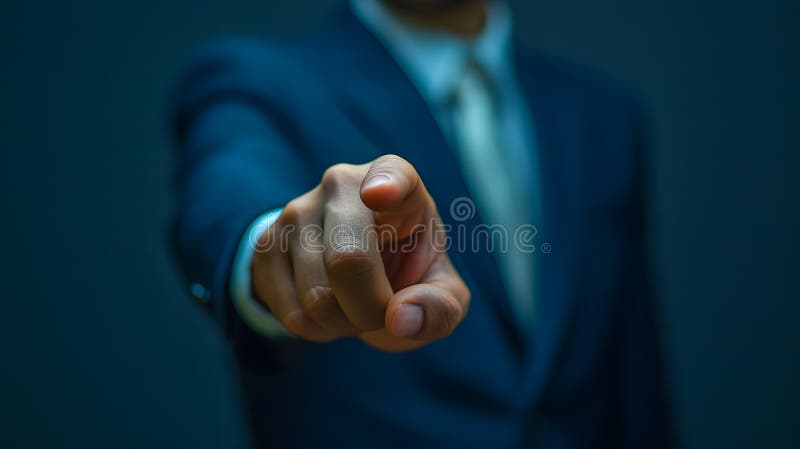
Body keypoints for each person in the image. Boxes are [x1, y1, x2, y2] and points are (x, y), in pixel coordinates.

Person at [170, 0, 673, 447]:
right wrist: (286, 253)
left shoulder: (605, 116)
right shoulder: (255, 81)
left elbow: (634, 378)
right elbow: (226, 193)